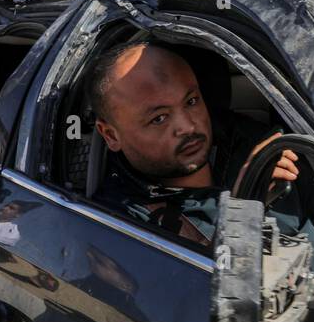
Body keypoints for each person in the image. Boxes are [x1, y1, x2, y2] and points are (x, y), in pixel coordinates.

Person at [89, 41, 300, 245]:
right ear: (111, 135)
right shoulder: (117, 225)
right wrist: (242, 210)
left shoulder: (251, 141)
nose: (188, 127)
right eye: (159, 118)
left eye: (191, 101)